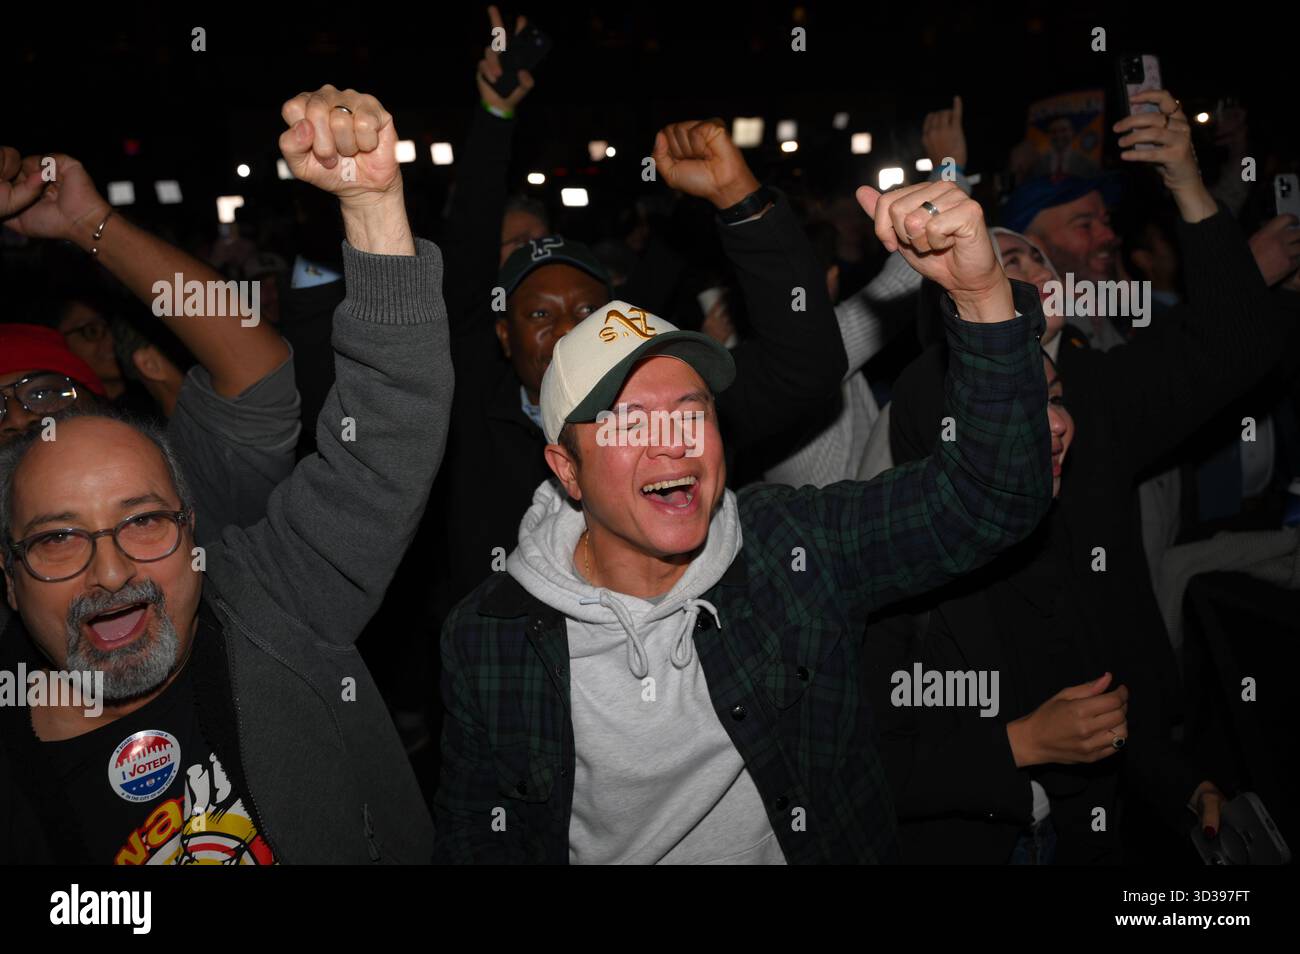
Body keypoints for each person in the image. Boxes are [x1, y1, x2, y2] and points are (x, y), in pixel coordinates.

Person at [432, 176, 1054, 864]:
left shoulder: (795, 551)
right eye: (627, 422)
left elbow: (992, 500)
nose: (673, 443)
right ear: (567, 469)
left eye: (691, 411)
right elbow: (476, 841)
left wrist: (982, 297)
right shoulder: (490, 641)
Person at [0, 83, 452, 864]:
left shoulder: (274, 603)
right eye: (57, 538)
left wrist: (374, 205)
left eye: (144, 521)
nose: (111, 571)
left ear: (192, 526)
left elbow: (386, 433)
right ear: (8, 575)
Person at [869, 89, 1293, 863]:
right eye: (1007, 261)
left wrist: (1186, 180)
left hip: (1105, 794)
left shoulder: (1090, 396)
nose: (1030, 270)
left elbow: (1235, 345)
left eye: (1034, 258)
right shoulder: (932, 398)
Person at [431, 114, 849, 658]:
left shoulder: (678, 413)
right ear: (504, 335)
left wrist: (740, 201)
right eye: (539, 314)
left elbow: (807, 365)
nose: (567, 330)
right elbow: (464, 259)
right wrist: (493, 117)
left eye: (587, 311)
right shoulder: (461, 421)